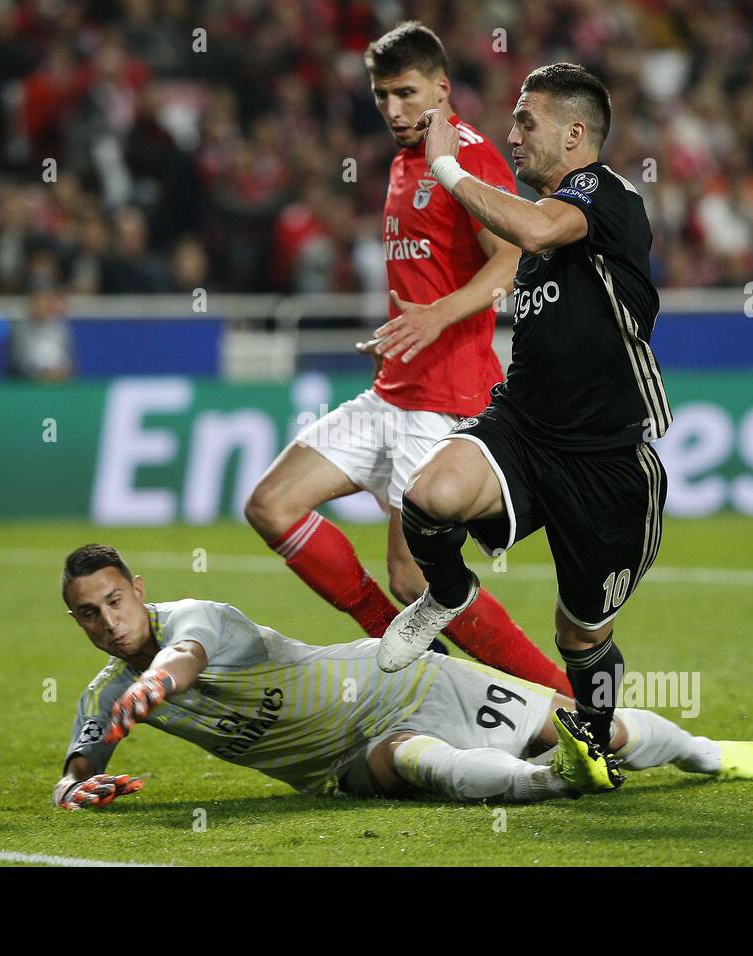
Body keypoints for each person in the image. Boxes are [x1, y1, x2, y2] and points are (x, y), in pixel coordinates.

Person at [244, 22, 571, 694]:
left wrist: (435, 318)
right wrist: (405, 332)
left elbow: (509, 263)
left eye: (407, 93)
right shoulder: (402, 160)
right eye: (381, 96)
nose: (393, 111)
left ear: (443, 88)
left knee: (413, 579)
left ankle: (565, 703)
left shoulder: (471, 158)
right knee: (271, 505)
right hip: (390, 394)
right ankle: (407, 661)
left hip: (445, 404)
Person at [374, 64, 674, 795]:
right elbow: (515, 237)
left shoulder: (606, 194)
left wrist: (446, 166)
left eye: (527, 122)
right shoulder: (539, 221)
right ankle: (446, 593)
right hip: (525, 431)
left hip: (607, 465)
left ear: (576, 134)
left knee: (580, 638)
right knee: (431, 493)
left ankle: (596, 739)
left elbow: (536, 226)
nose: (512, 135)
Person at [50, 544, 753, 809]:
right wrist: (78, 784)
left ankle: (707, 753)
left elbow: (184, 662)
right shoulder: (110, 692)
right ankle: (560, 780)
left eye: (115, 600)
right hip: (346, 762)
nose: (108, 620)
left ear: (140, 590)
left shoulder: (201, 618)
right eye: (90, 614)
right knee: (428, 767)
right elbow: (79, 761)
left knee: (601, 728)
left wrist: (159, 686)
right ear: (79, 623)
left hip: (393, 681)